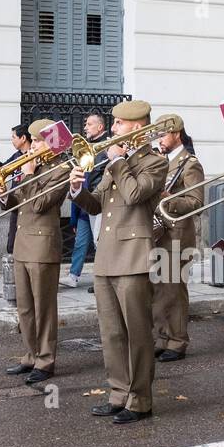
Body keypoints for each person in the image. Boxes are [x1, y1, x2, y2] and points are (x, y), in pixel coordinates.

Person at [69, 100, 168, 424]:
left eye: (117, 124)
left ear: (136, 127)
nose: (112, 130)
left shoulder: (154, 162)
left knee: (137, 333)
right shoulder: (115, 162)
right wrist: (77, 191)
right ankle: (118, 393)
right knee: (111, 332)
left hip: (134, 257)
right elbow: (97, 204)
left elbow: (136, 195)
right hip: (108, 255)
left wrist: (119, 162)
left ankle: (140, 400)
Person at [0, 119, 66, 384]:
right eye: (33, 141)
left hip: (43, 245)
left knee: (44, 307)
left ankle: (46, 359)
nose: (32, 145)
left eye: (37, 141)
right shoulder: (30, 165)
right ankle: (30, 354)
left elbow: (39, 204)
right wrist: (4, 193)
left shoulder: (60, 170)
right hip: (22, 243)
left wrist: (28, 174)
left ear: (49, 144)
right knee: (24, 306)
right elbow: (16, 201)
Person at [151, 115, 203, 362]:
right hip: (159, 233)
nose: (159, 139)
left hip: (177, 235)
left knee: (174, 290)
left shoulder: (190, 163)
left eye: (162, 135)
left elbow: (196, 202)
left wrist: (167, 198)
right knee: (159, 289)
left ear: (177, 133)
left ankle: (178, 341)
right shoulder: (160, 161)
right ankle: (162, 337)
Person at [64, 113, 109, 289]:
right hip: (84, 205)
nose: (85, 127)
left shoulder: (106, 147)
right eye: (86, 124)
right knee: (80, 242)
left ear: (100, 127)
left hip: (97, 202)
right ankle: (73, 276)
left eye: (89, 124)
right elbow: (83, 175)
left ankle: (102, 279)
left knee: (100, 243)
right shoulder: (87, 147)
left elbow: (99, 177)